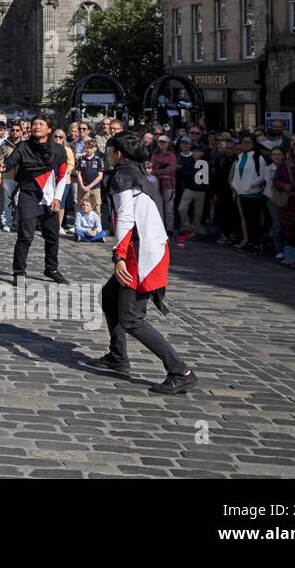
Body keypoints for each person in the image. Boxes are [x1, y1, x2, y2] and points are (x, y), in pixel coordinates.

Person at [91, 131, 198, 395]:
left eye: (110, 149)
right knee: (109, 297)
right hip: (144, 247)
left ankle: (180, 371)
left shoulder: (124, 175)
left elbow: (126, 218)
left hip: (140, 253)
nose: (107, 153)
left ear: (119, 153)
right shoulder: (135, 172)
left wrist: (118, 256)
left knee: (132, 319)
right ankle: (118, 357)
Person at [0, 116, 69, 285]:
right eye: (34, 124)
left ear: (49, 129)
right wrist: (4, 166)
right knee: (25, 236)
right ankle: (19, 272)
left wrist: (58, 198)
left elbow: (63, 174)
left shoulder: (59, 150)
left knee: (52, 235)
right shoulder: (24, 146)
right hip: (28, 195)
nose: (36, 126)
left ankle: (51, 269)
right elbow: (11, 160)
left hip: (50, 196)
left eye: (41, 124)